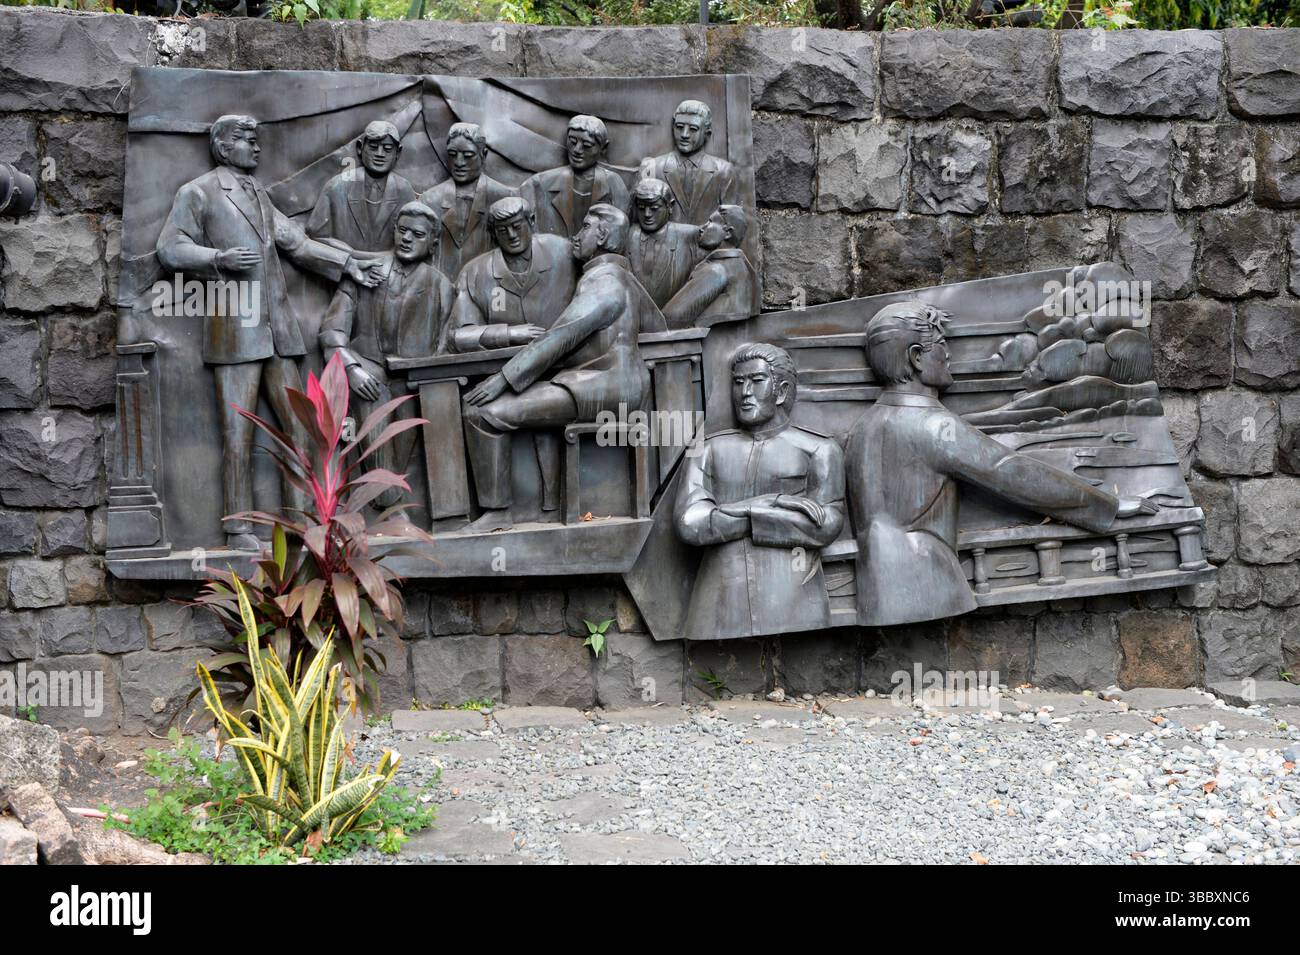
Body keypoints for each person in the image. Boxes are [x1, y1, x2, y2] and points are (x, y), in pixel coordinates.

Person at [844, 301, 1157, 627]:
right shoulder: (931, 426)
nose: (949, 354)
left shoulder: (862, 428)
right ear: (916, 357)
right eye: (941, 344)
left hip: (876, 586)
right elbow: (1012, 472)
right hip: (927, 577)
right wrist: (1109, 505)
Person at [155, 113, 380, 551]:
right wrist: (217, 259)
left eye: (258, 140)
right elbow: (170, 247)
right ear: (223, 147)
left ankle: (302, 524)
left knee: (300, 426)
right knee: (237, 435)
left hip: (277, 331)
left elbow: (294, 242)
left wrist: (348, 265)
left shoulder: (257, 192)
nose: (257, 148)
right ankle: (238, 529)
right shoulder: (197, 192)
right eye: (247, 140)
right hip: (235, 330)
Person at [461, 204, 663, 532]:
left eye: (584, 227)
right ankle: (548, 507)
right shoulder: (619, 276)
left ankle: (498, 512)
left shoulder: (605, 281)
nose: (576, 235)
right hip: (605, 382)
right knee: (530, 401)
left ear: (602, 236)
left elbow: (561, 337)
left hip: (606, 386)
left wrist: (503, 378)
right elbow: (660, 323)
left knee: (480, 412)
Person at [675, 343, 844, 640]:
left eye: (756, 381)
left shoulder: (818, 449)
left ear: (780, 391)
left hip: (793, 600)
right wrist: (769, 505)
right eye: (738, 383)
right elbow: (690, 524)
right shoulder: (708, 449)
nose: (745, 393)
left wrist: (735, 515)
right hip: (719, 601)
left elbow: (824, 527)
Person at [319, 201, 455, 504]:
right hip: (367, 374)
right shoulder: (365, 272)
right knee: (373, 402)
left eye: (417, 235)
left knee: (405, 438)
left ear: (432, 244)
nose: (406, 238)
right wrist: (351, 368)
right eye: (402, 230)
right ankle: (389, 507)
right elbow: (332, 330)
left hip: (414, 382)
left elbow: (447, 345)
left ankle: (386, 502)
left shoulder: (442, 287)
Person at [447, 196, 578, 352]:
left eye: (517, 226)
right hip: (500, 365)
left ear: (532, 221)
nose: (511, 235)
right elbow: (458, 336)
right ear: (493, 233)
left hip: (563, 357)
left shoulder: (563, 253)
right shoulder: (475, 272)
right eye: (502, 230)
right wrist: (508, 334)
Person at [417, 122, 516, 281]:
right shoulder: (429, 200)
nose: (459, 162)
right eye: (453, 154)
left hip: (490, 290)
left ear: (483, 154)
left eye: (468, 155)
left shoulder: (506, 198)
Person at [307, 120, 416, 255]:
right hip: (346, 270)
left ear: (398, 152)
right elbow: (316, 235)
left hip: (387, 271)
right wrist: (353, 256)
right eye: (373, 147)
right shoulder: (336, 187)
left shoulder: (404, 190)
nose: (380, 154)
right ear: (360, 147)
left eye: (387, 149)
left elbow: (415, 238)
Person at [520, 115, 629, 238]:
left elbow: (621, 235)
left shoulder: (614, 184)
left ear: (603, 148)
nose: (577, 150)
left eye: (587, 145)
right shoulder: (538, 184)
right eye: (572, 141)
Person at [638, 100, 739, 226]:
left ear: (707, 133)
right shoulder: (651, 167)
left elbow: (730, 225)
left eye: (693, 129)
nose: (684, 135)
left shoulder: (724, 171)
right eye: (679, 127)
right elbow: (636, 219)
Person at [663, 204, 759, 327]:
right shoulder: (742, 267)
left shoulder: (715, 271)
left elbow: (669, 320)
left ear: (728, 233)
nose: (702, 227)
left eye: (710, 222)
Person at [627, 177, 699, 309]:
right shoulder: (626, 235)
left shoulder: (690, 236)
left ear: (670, 206)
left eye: (654, 208)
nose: (647, 214)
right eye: (641, 208)